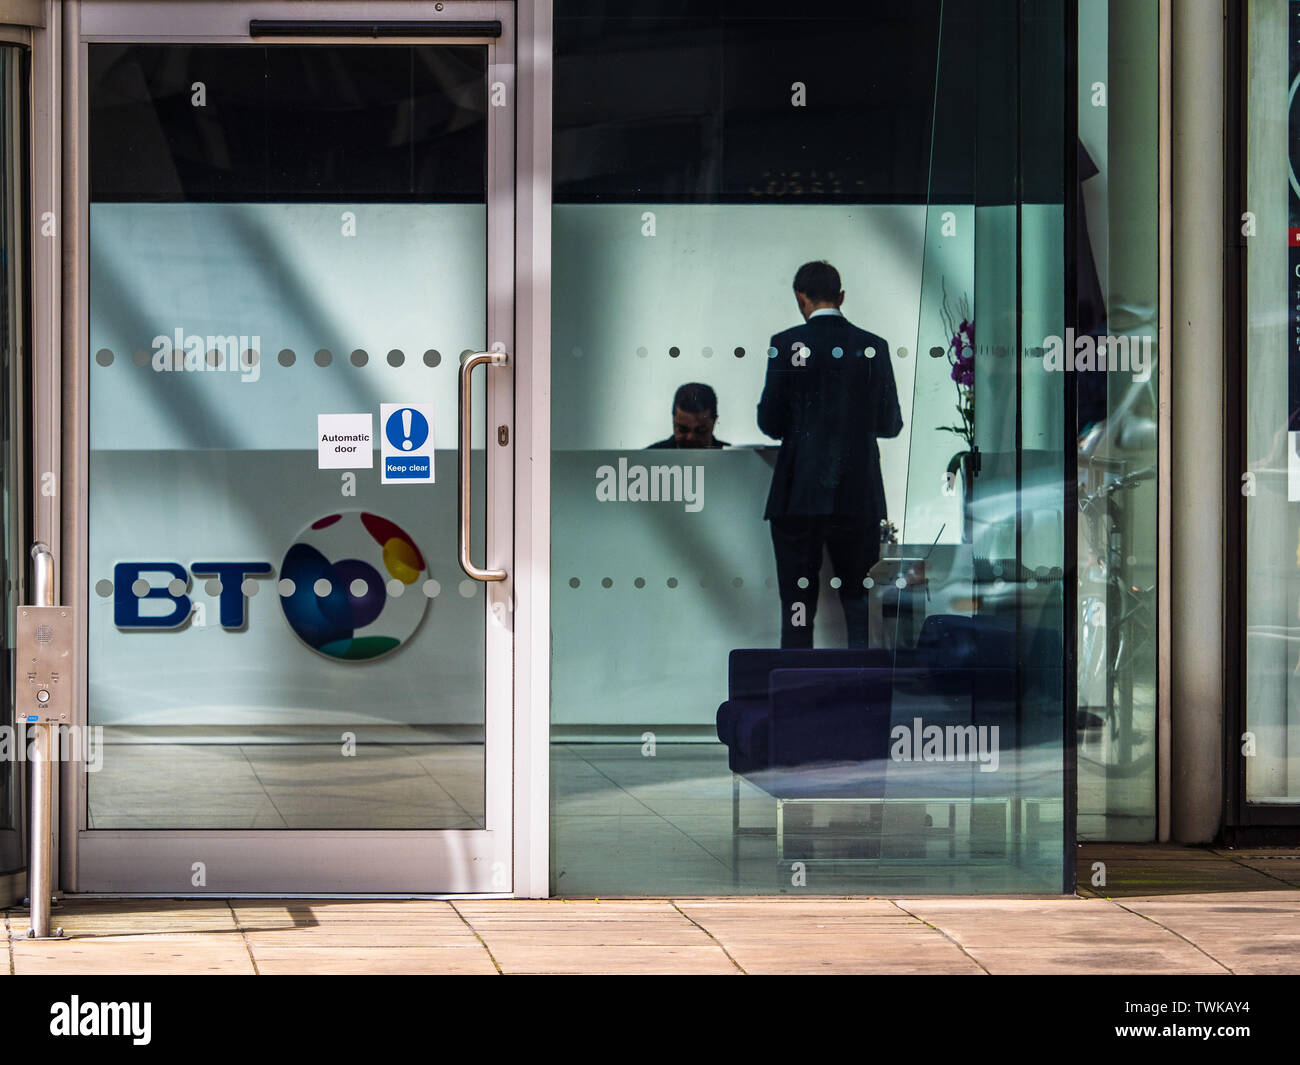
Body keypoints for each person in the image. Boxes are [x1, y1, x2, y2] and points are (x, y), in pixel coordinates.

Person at [757, 261, 903, 648]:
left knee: (797, 609)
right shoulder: (874, 347)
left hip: (798, 493)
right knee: (857, 604)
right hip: (857, 495)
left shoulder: (786, 344)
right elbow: (890, 424)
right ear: (841, 297)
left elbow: (769, 422)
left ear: (800, 298)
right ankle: (858, 697)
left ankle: (796, 696)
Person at [648, 382, 731, 449]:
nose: (690, 437)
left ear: (714, 422)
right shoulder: (646, 459)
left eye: (700, 430)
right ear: (673, 420)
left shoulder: (734, 459)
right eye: (682, 429)